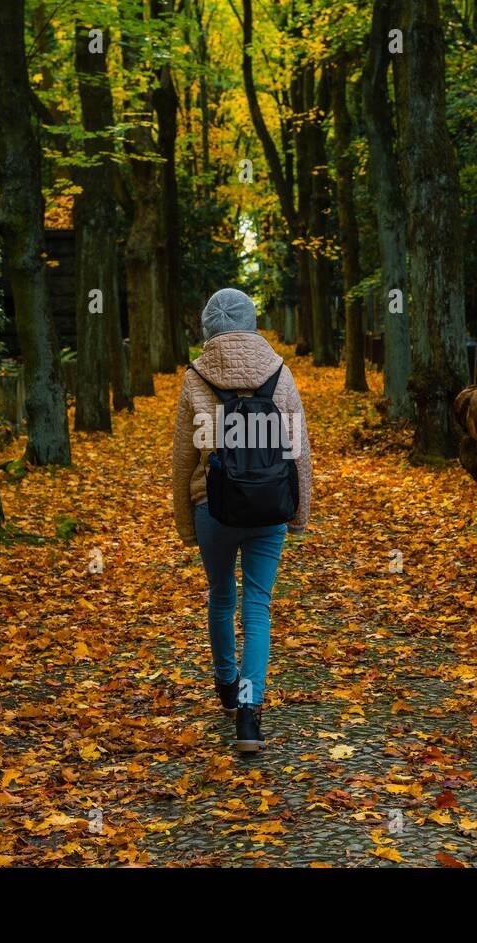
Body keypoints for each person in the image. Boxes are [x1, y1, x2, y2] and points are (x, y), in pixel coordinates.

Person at [172, 288, 312, 752]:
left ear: (208, 325)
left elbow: (183, 458)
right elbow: (298, 450)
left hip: (212, 505)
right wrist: (299, 514)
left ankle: (226, 687)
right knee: (257, 607)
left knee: (220, 597)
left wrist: (186, 524)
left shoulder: (195, 377)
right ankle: (249, 716)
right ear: (252, 322)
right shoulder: (280, 373)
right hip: (270, 504)